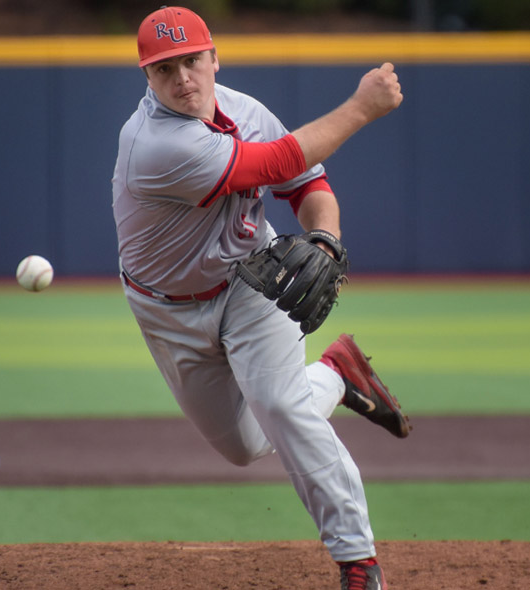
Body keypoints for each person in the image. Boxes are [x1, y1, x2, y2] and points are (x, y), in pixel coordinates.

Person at [111, 6, 412, 589]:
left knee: (281, 407)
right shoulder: (154, 143)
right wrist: (361, 108)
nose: (182, 79)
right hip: (167, 308)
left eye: (192, 61)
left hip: (253, 281)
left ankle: (358, 561)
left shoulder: (245, 110)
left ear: (214, 57)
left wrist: (324, 239)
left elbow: (307, 183)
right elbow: (277, 162)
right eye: (164, 68)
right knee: (247, 445)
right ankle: (337, 373)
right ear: (147, 77)